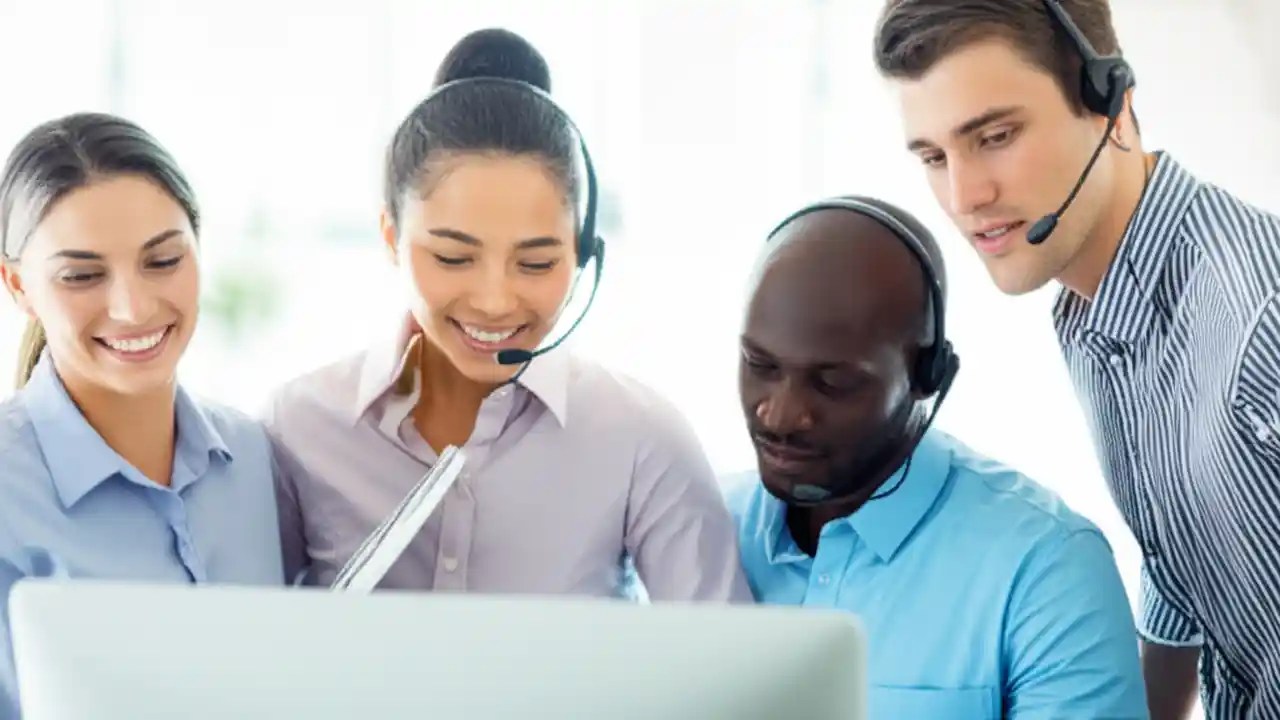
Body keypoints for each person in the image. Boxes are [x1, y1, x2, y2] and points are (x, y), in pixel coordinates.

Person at [874, 1, 1280, 716]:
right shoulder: (1094, 311)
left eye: (995, 136)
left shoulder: (1258, 322)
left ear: (1111, 103)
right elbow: (1185, 558)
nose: (966, 197)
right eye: (935, 157)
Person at [263, 28, 749, 601]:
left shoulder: (639, 436)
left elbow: (724, 661)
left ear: (583, 255)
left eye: (538, 263)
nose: (494, 300)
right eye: (453, 256)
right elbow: (244, 652)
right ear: (391, 238)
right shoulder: (299, 427)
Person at [726, 195, 1148, 718]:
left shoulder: (1047, 569)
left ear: (928, 377)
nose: (780, 415)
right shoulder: (694, 529)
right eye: (759, 365)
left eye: (833, 382)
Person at [0, 113, 283, 719]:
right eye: (82, 275)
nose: (131, 308)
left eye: (162, 262)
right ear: (18, 285)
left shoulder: (253, 455)